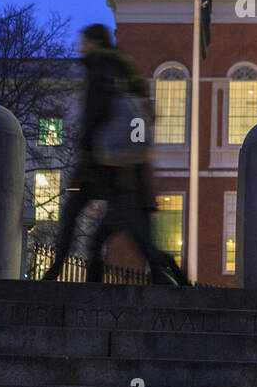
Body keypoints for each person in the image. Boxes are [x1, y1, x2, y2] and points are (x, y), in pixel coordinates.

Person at [44, 23, 186, 285]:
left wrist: (88, 144)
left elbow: (96, 112)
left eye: (84, 41)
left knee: (73, 217)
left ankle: (57, 273)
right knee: (126, 232)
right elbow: (146, 113)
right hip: (123, 166)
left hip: (99, 162)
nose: (80, 47)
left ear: (95, 42)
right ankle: (164, 273)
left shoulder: (100, 68)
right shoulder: (125, 68)